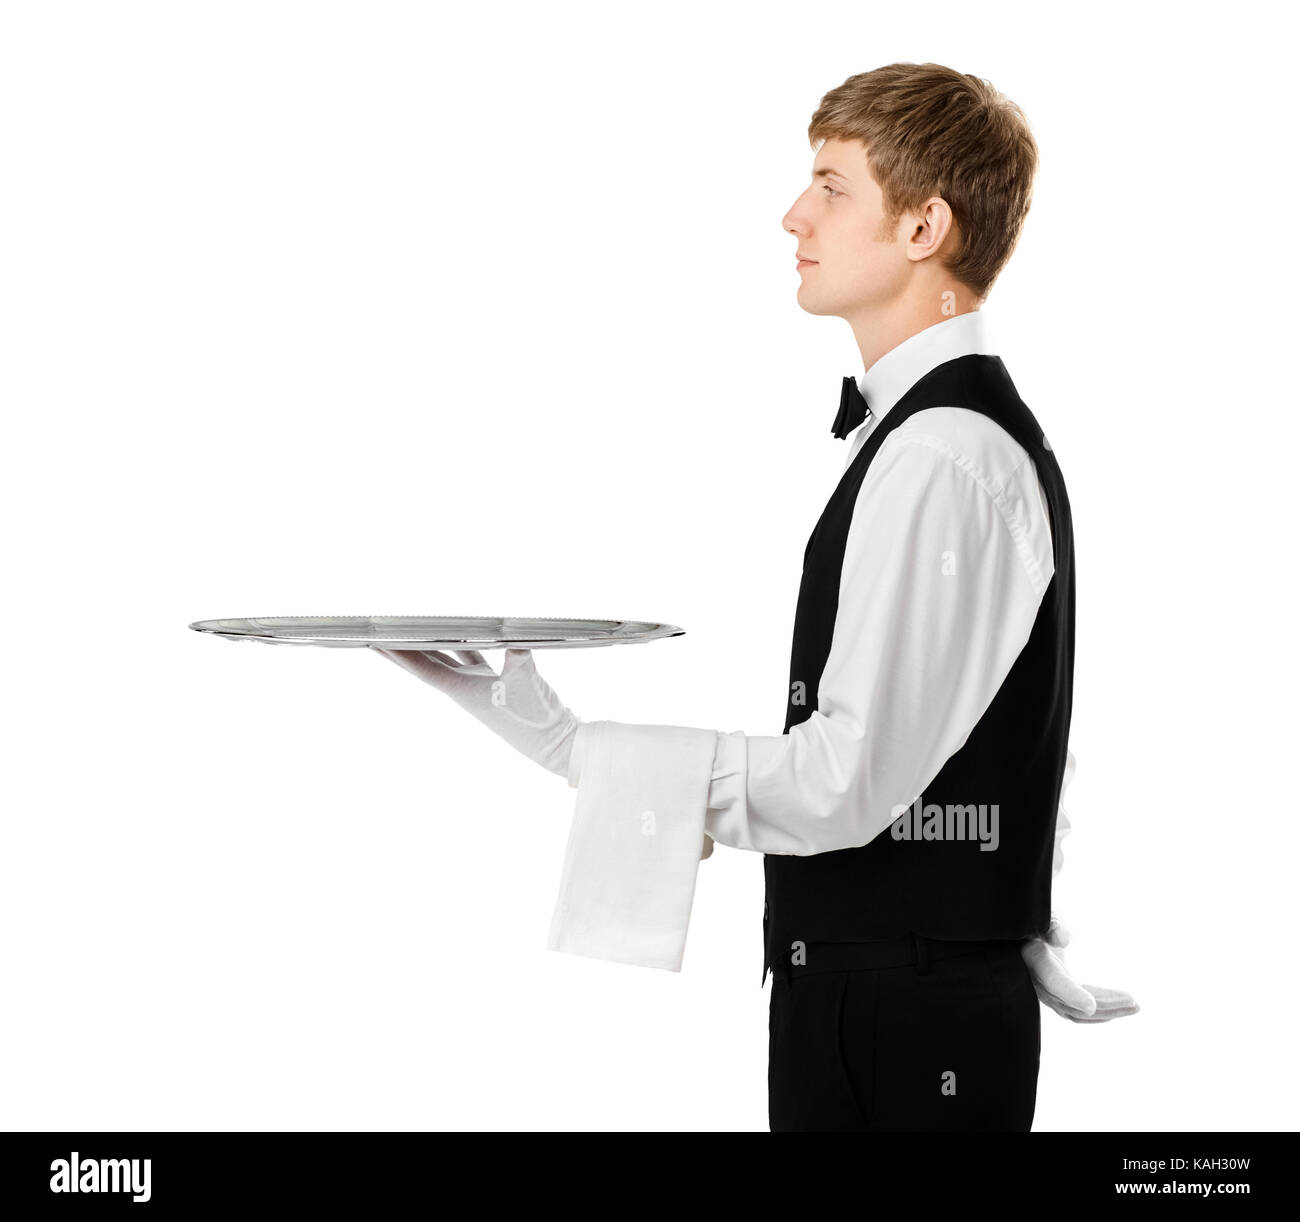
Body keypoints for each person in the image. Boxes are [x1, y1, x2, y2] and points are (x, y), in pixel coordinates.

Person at [374, 62, 1138, 1132]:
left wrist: (570, 746)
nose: (793, 216)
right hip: (905, 998)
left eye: (831, 187)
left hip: (895, 1014)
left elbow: (843, 780)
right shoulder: (940, 440)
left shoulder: (941, 454)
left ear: (924, 227)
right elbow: (992, 729)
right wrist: (1018, 915)